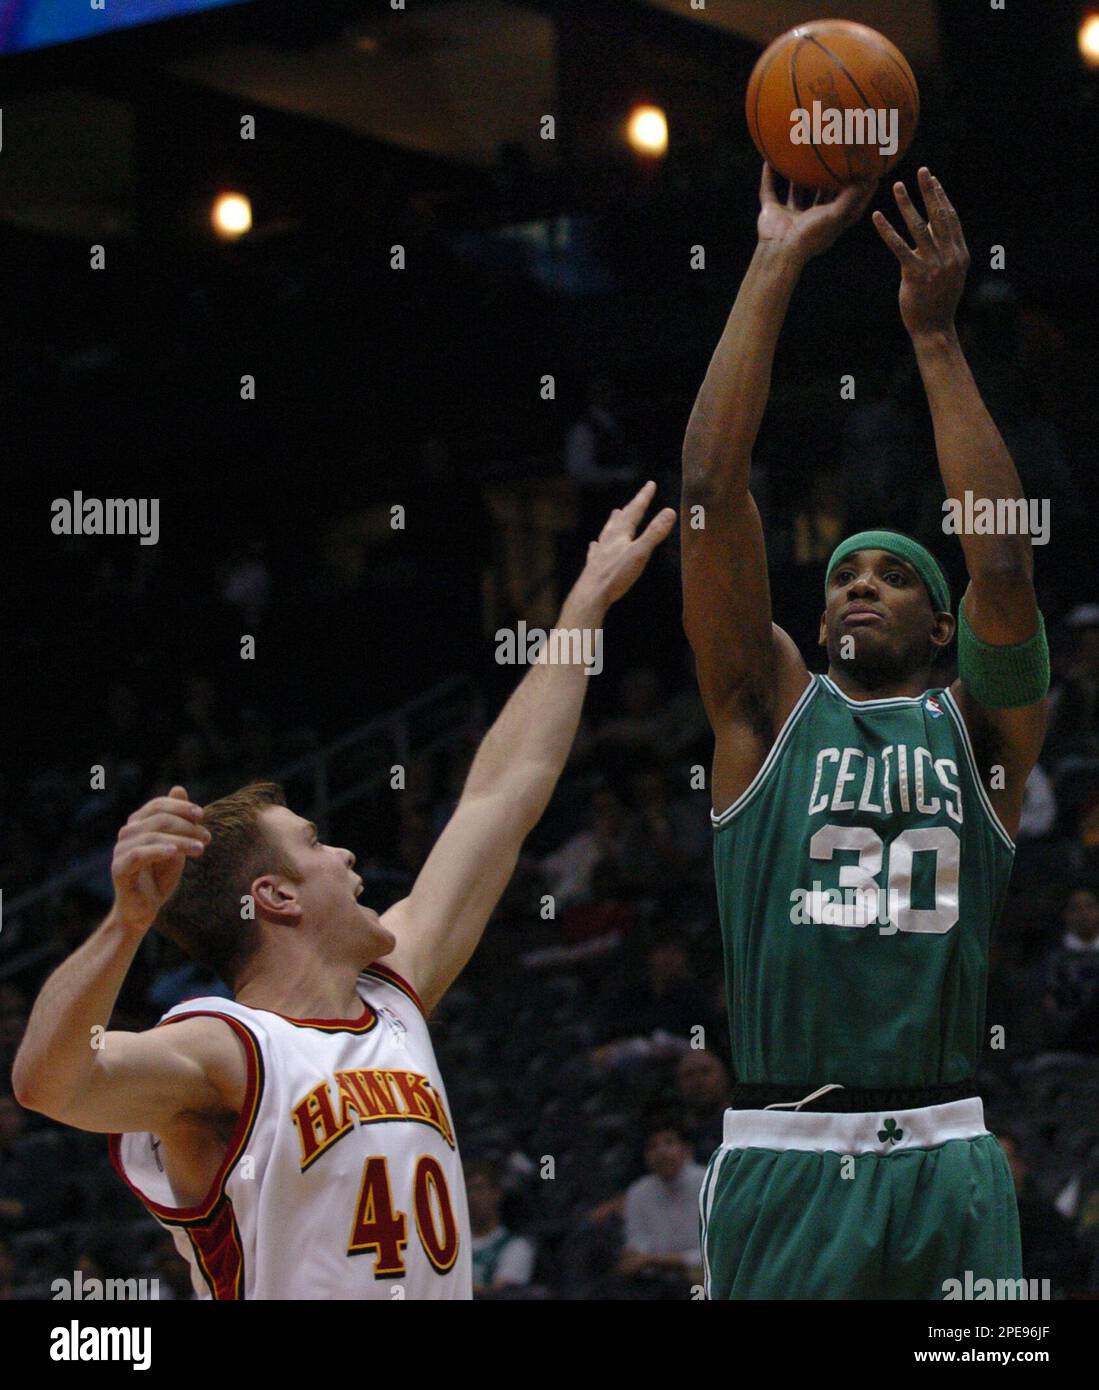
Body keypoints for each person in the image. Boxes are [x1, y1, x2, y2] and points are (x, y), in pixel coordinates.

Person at [13, 484, 676, 1301]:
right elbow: (49, 1082)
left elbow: (501, 798)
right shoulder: (228, 1048)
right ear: (277, 897)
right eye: (317, 843)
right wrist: (125, 922)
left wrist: (582, 605)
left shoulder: (395, 995)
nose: (348, 854)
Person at [681, 165, 1050, 1299]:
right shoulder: (764, 714)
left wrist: (933, 337)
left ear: (939, 627)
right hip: (786, 1154)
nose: (860, 586)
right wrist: (775, 258)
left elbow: (998, 556)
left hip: (946, 1148)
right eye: (844, 573)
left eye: (893, 576)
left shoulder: (980, 732)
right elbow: (708, 486)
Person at [616, 1120, 705, 1298]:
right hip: (654, 1280)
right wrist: (634, 1254)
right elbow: (637, 1242)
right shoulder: (638, 1191)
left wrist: (655, 1260)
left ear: (687, 1151)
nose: (661, 1152)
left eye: (669, 1142)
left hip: (700, 1277)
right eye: (652, 1146)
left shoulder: (707, 1182)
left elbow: (712, 1254)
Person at [465, 1159, 536, 1297]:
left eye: (479, 1189)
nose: (472, 1197)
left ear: (496, 1193)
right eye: (467, 1190)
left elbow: (501, 1294)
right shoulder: (452, 1244)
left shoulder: (516, 1246)